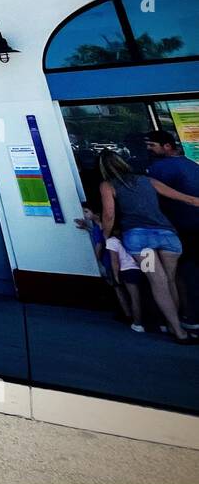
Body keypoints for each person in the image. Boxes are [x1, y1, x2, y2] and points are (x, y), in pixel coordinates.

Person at [98, 149, 199, 342]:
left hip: (139, 240)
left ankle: (178, 331)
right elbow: (187, 199)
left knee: (157, 282)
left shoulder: (108, 185)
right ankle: (172, 324)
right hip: (168, 236)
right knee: (170, 281)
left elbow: (109, 215)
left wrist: (105, 236)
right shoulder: (148, 181)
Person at [145, 130, 199, 329]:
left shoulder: (160, 169)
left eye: (152, 145)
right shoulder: (191, 165)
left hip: (176, 229)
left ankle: (182, 318)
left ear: (167, 146)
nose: (148, 149)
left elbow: (155, 198)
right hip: (189, 226)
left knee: (175, 275)